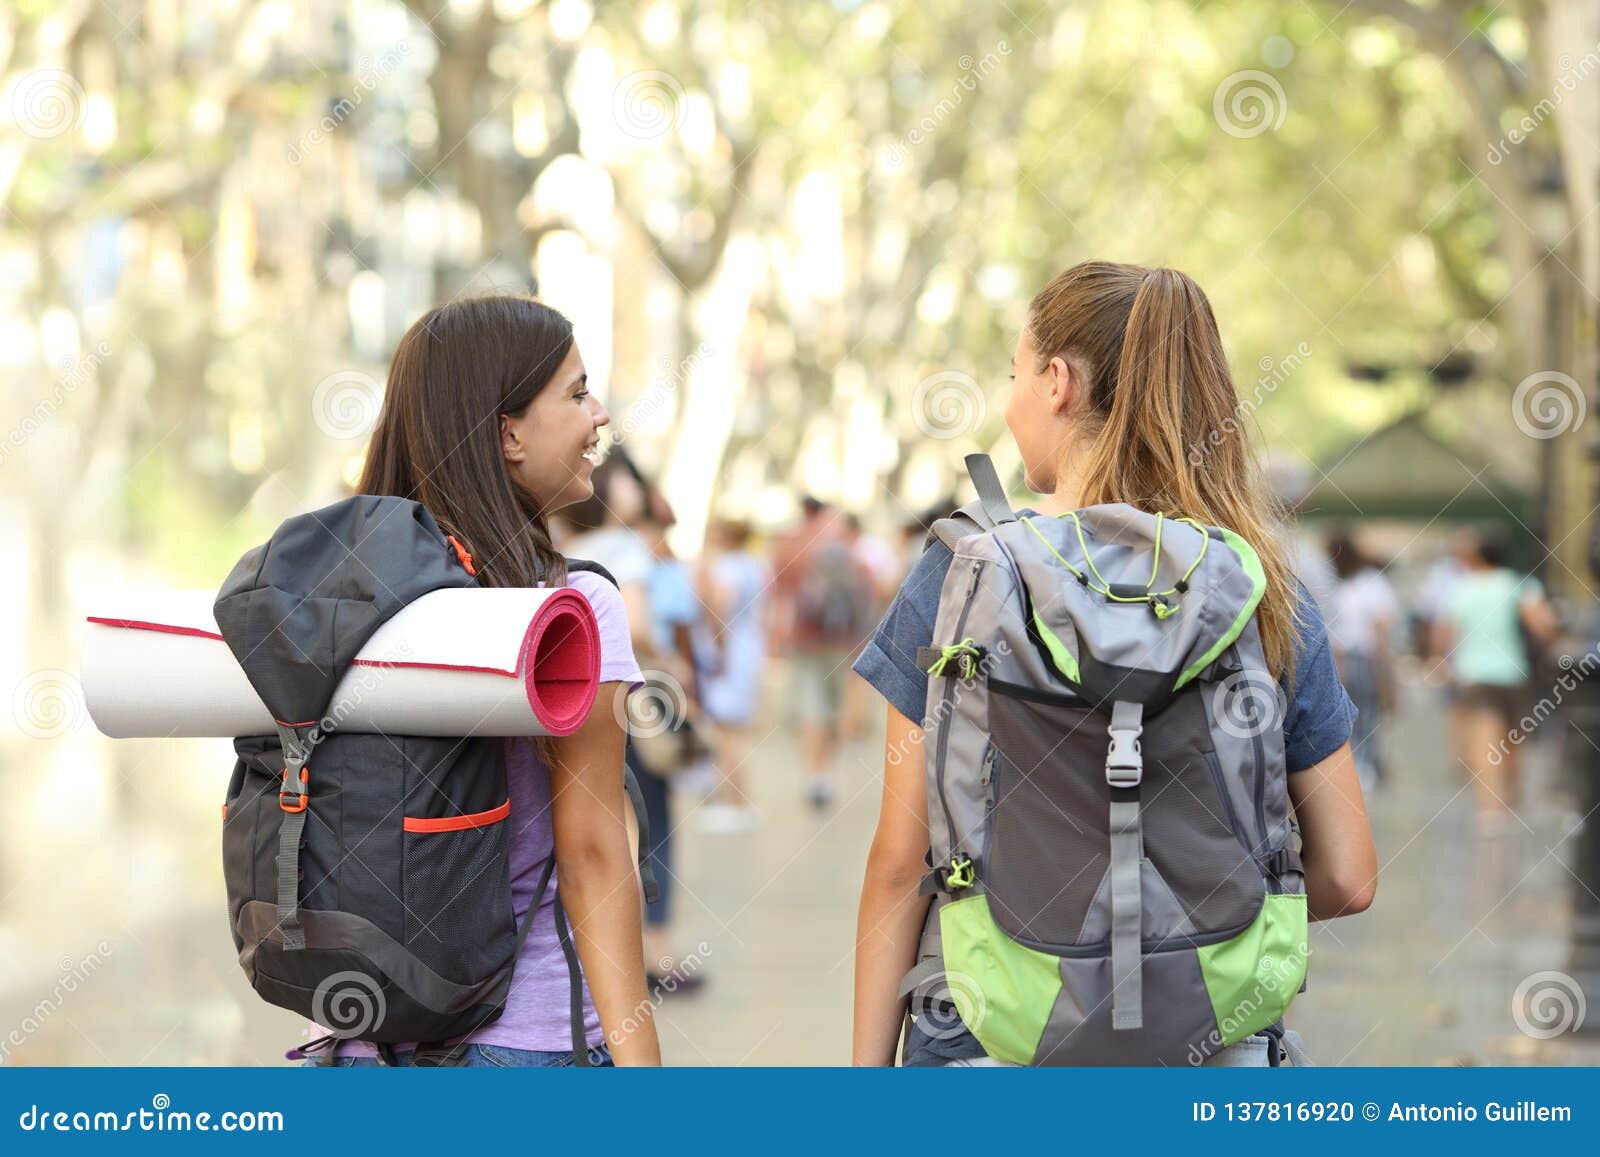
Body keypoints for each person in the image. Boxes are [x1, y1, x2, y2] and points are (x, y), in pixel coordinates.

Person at [851, 261, 1378, 1067]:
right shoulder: (1259, 591)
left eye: (1015, 373)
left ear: (1057, 382)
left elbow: (898, 866)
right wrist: (1184, 937)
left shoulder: (965, 571)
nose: (1011, 398)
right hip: (1210, 1049)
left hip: (989, 1031)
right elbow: (1347, 875)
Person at [314, 295, 659, 1066]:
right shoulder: (569, 609)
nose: (599, 415)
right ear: (507, 434)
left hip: (355, 1043)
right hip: (524, 1042)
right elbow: (594, 855)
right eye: (576, 393)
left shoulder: (333, 600)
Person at [561, 451, 708, 994]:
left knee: (595, 825)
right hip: (633, 701)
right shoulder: (626, 549)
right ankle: (655, 955)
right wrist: (672, 665)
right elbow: (639, 624)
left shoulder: (562, 550)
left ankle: (600, 959)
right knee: (652, 822)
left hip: (574, 704)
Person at [1431, 529, 1559, 835]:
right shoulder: (1519, 585)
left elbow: (1442, 635)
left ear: (1476, 557)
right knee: (1516, 738)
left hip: (1475, 675)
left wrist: (1442, 663)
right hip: (1514, 673)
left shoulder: (1462, 588)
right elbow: (1544, 626)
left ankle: (1489, 809)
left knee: (1486, 741)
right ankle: (1512, 799)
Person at [772, 497, 876, 809]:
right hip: (842, 645)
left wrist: (778, 635)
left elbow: (780, 594)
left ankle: (814, 776)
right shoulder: (853, 554)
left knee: (811, 709)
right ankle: (826, 774)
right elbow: (870, 597)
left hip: (806, 643)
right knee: (833, 710)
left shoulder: (793, 547)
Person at [695, 518, 771, 833]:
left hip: (731, 651)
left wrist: (717, 648)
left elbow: (719, 610)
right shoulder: (754, 565)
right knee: (736, 730)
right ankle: (740, 800)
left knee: (726, 730)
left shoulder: (726, 568)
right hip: (750, 646)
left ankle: (734, 803)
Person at [1324, 529, 1401, 793]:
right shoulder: (1371, 584)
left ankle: (1360, 773)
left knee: (1355, 718)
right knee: (1365, 717)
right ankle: (1362, 773)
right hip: (1358, 658)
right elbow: (1382, 632)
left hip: (1348, 658)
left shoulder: (1335, 584)